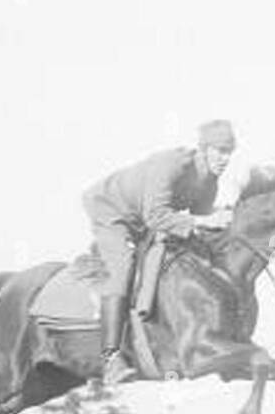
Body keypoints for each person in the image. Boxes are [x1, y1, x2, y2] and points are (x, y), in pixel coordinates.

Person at [81, 120, 238, 384]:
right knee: (123, 264)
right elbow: (156, 217)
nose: (225, 159)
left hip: (143, 218)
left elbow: (198, 225)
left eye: (229, 153)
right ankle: (111, 358)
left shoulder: (210, 182)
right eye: (220, 151)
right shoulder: (172, 165)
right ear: (203, 148)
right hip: (111, 209)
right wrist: (204, 221)